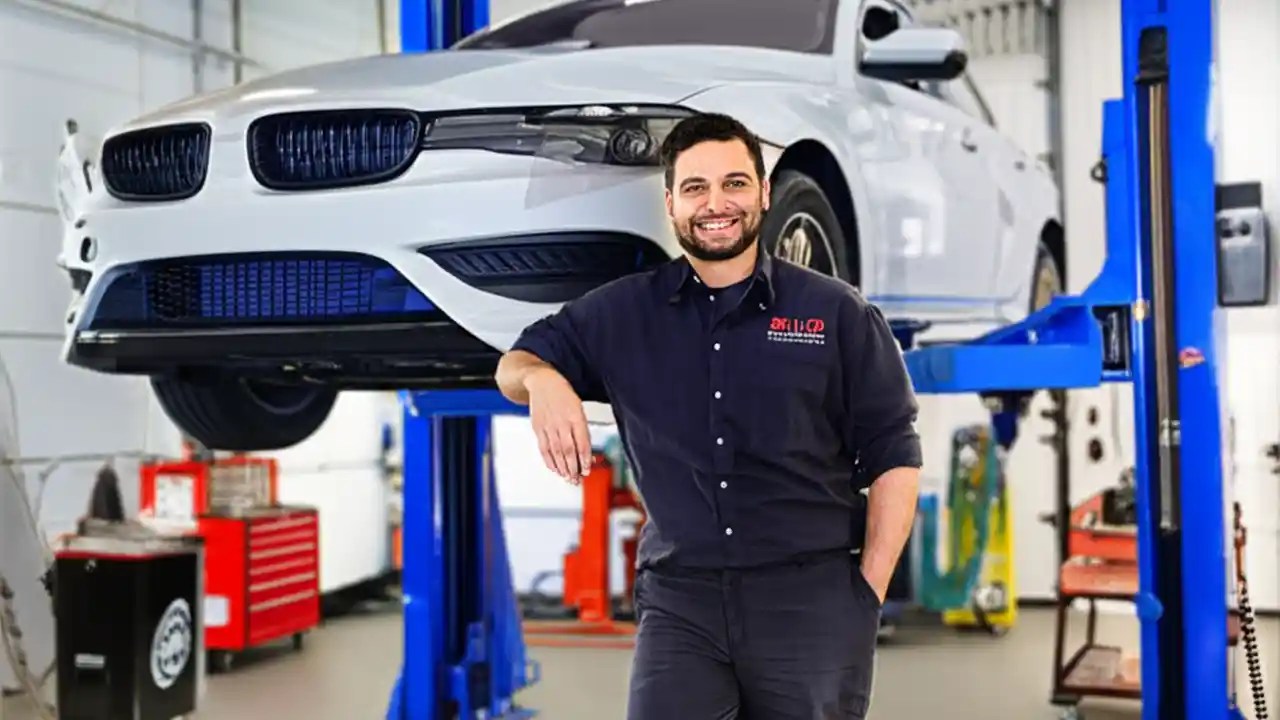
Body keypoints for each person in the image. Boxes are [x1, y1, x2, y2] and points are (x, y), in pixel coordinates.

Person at [495, 112, 922, 719]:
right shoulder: (625, 314)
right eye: (695, 187)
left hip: (810, 601)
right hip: (681, 604)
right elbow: (513, 364)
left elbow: (893, 453)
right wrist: (543, 380)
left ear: (764, 193)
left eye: (734, 183)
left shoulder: (837, 314)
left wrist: (866, 594)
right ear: (671, 203)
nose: (716, 204)